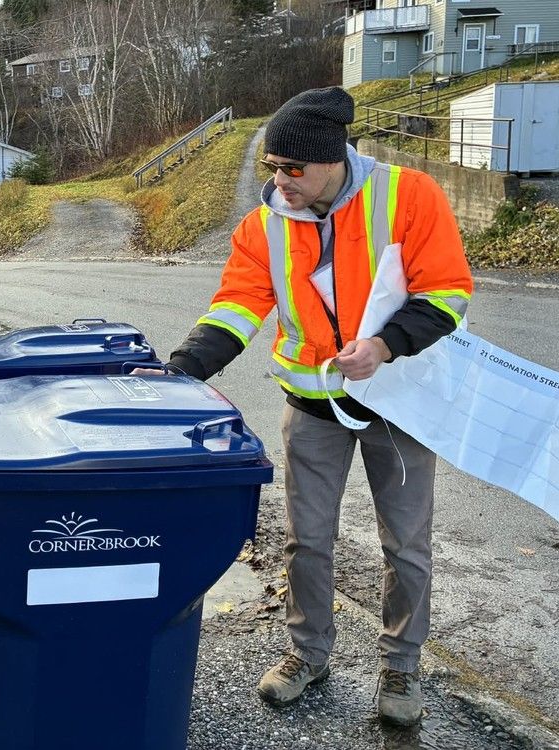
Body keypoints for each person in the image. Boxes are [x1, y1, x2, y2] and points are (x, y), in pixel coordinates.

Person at [146, 87, 473, 726]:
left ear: (333, 160)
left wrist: (384, 344)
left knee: (406, 545)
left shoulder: (410, 196)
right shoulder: (265, 223)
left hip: (399, 402)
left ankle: (401, 666)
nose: (280, 181)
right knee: (306, 541)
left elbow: (449, 292)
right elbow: (237, 305)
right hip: (313, 405)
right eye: (272, 167)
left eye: (292, 169)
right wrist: (179, 370)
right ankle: (307, 653)